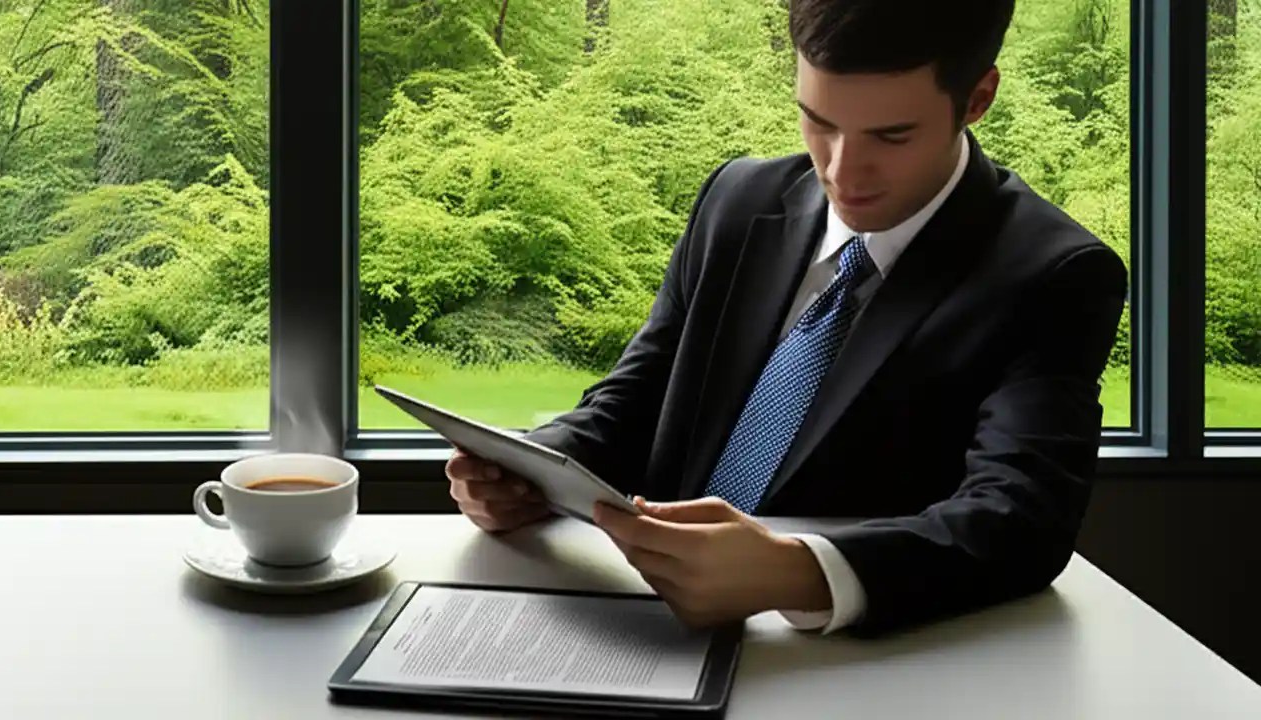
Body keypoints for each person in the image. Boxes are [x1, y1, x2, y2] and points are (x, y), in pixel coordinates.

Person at [445, 0, 1127, 637]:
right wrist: (532, 468)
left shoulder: (1052, 274)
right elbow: (634, 401)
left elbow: (1020, 520)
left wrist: (797, 572)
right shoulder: (737, 202)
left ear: (977, 99)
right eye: (819, 121)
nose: (842, 170)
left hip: (850, 668)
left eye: (891, 136)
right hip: (630, 625)